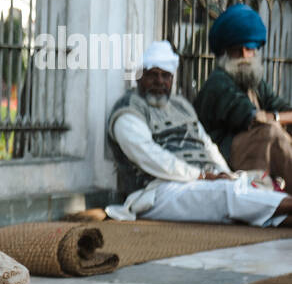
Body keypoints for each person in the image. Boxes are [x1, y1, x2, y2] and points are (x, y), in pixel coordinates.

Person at [105, 40, 291, 226]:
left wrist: (224, 174)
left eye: (165, 76)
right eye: (153, 75)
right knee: (227, 194)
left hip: (202, 182)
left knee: (248, 187)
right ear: (139, 77)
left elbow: (207, 145)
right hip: (158, 191)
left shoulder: (181, 106)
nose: (159, 82)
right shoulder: (128, 110)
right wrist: (200, 176)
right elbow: (150, 157)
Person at [192, 3, 292, 187]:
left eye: (249, 50)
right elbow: (255, 119)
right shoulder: (218, 82)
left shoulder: (254, 82)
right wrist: (274, 119)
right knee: (270, 133)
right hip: (221, 157)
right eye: (237, 50)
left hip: (256, 154)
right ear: (225, 53)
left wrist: (275, 116)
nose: (245, 56)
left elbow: (284, 111)